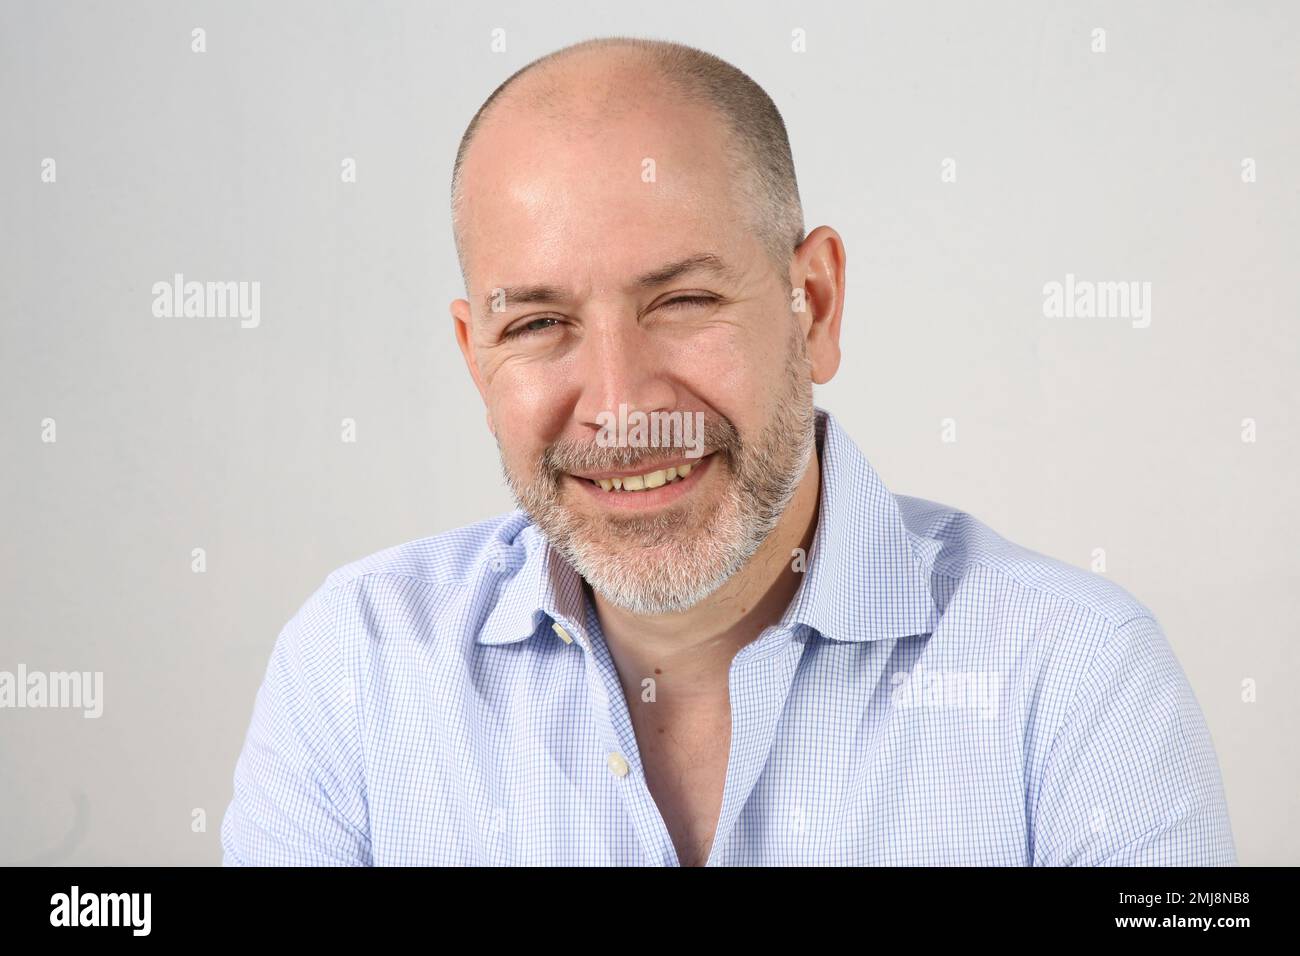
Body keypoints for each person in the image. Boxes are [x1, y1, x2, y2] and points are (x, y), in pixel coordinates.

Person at [221, 36, 1235, 866]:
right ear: (475, 356)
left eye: (684, 300)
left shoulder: (1076, 678)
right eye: (537, 323)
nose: (620, 408)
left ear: (816, 306)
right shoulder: (354, 666)